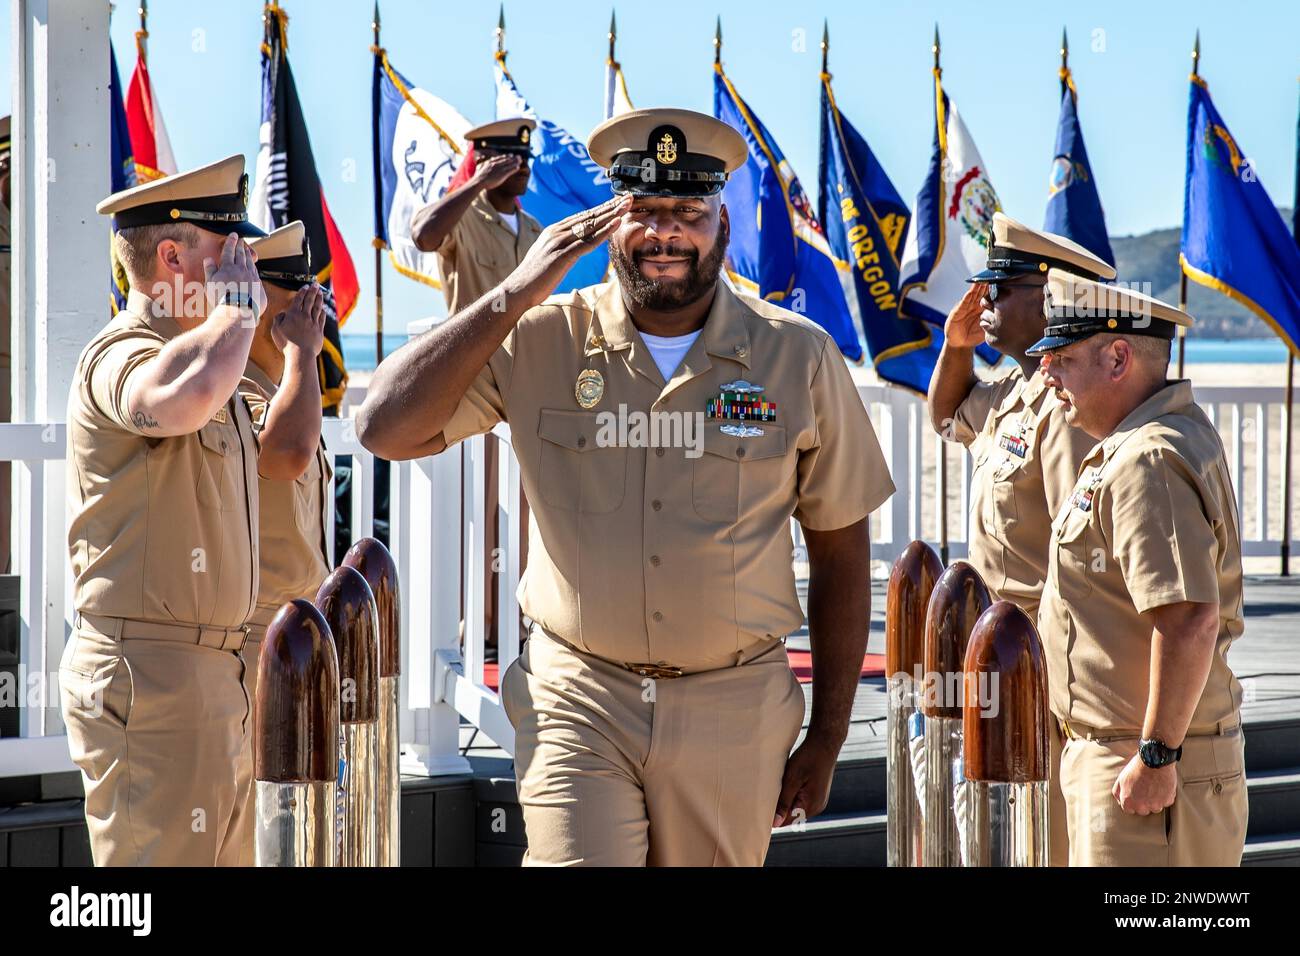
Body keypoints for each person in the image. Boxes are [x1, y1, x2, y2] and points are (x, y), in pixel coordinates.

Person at [357, 108, 895, 866]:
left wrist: (829, 736)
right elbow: (384, 427)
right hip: (576, 697)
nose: (664, 233)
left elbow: (842, 550)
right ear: (610, 221)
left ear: (721, 226)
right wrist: (517, 287)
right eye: (642, 210)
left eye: (687, 212)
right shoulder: (542, 336)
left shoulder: (796, 357)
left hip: (732, 706)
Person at [60, 154, 267, 865]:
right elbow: (168, 402)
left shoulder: (213, 356)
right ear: (173, 256)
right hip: (151, 679)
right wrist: (237, 316)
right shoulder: (122, 352)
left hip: (214, 677)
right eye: (228, 253)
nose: (246, 267)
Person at [1030, 269, 1248, 866]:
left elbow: (1188, 621)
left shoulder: (1146, 459)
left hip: (1146, 770)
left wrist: (1156, 756)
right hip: (1128, 755)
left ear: (1118, 357)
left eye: (1063, 359)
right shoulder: (1149, 441)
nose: (1046, 376)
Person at [926, 212, 1115, 865]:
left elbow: (1084, 559)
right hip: (998, 662)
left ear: (1053, 296)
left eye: (1000, 290)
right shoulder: (1014, 386)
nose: (985, 303)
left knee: (1040, 846)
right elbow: (948, 418)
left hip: (1039, 668)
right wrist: (956, 346)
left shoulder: (1066, 405)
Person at [410, 118, 543, 652]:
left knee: (528, 507)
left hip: (527, 384)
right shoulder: (466, 219)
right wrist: (472, 185)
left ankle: (519, 616)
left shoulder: (535, 232)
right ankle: (480, 621)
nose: (521, 169)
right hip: (474, 384)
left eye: (523, 160)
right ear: (486, 163)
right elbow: (424, 235)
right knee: (480, 510)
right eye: (507, 160)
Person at [235, 220, 331, 865]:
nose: (305, 305)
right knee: (247, 831)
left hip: (294, 640)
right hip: (248, 644)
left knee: (290, 835)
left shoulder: (283, 389)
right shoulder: (232, 384)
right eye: (285, 289)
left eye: (309, 291)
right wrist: (302, 354)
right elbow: (286, 455)